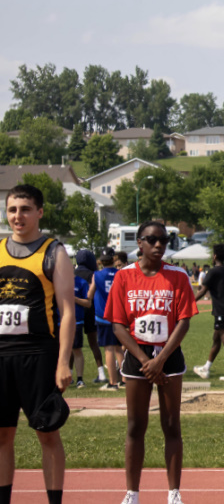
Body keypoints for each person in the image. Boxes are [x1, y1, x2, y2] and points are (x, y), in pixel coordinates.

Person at [106, 221, 197, 504]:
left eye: (164, 240)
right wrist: (146, 361)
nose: (159, 245)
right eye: (152, 240)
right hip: (138, 357)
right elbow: (118, 325)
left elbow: (184, 321)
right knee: (135, 425)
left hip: (168, 355)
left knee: (171, 425)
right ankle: (132, 493)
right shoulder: (124, 277)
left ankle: (173, 493)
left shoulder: (178, 276)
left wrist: (161, 360)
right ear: (140, 243)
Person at [0, 185, 75, 504]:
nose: (19, 216)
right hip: (2, 354)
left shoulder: (54, 251)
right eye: (13, 209)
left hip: (38, 355)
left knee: (47, 431)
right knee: (2, 434)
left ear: (40, 212)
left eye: (25, 209)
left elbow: (68, 311)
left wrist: (63, 362)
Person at [193, 244, 224, 381]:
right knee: (217, 338)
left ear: (214, 256)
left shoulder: (213, 272)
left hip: (221, 309)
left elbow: (202, 291)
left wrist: (189, 303)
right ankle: (206, 368)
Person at [90, 248, 122, 391]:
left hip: (103, 316)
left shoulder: (97, 275)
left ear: (101, 261)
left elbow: (90, 294)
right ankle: (125, 379)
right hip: (118, 316)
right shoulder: (121, 274)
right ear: (113, 259)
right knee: (119, 349)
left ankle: (113, 382)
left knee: (108, 349)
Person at [73, 249, 107, 384]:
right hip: (91, 310)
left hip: (76, 311)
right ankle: (101, 373)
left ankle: (70, 374)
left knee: (72, 346)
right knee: (93, 343)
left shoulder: (74, 274)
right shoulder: (94, 274)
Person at [70, 257, 92, 388]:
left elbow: (88, 303)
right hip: (59, 321)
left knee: (76, 349)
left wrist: (73, 298)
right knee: (60, 350)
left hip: (77, 320)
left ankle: (79, 378)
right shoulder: (57, 282)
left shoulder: (81, 282)